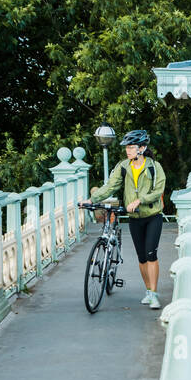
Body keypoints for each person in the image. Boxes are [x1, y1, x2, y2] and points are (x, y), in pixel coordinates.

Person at [82, 129, 167, 308]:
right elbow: (110, 186)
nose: (127, 151)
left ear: (142, 148)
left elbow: (158, 191)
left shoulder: (154, 167)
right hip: (134, 218)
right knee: (142, 257)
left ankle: (154, 294)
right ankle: (148, 291)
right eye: (126, 147)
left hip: (152, 216)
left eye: (131, 147)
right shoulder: (124, 166)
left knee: (151, 254)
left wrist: (140, 200)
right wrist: (92, 199)